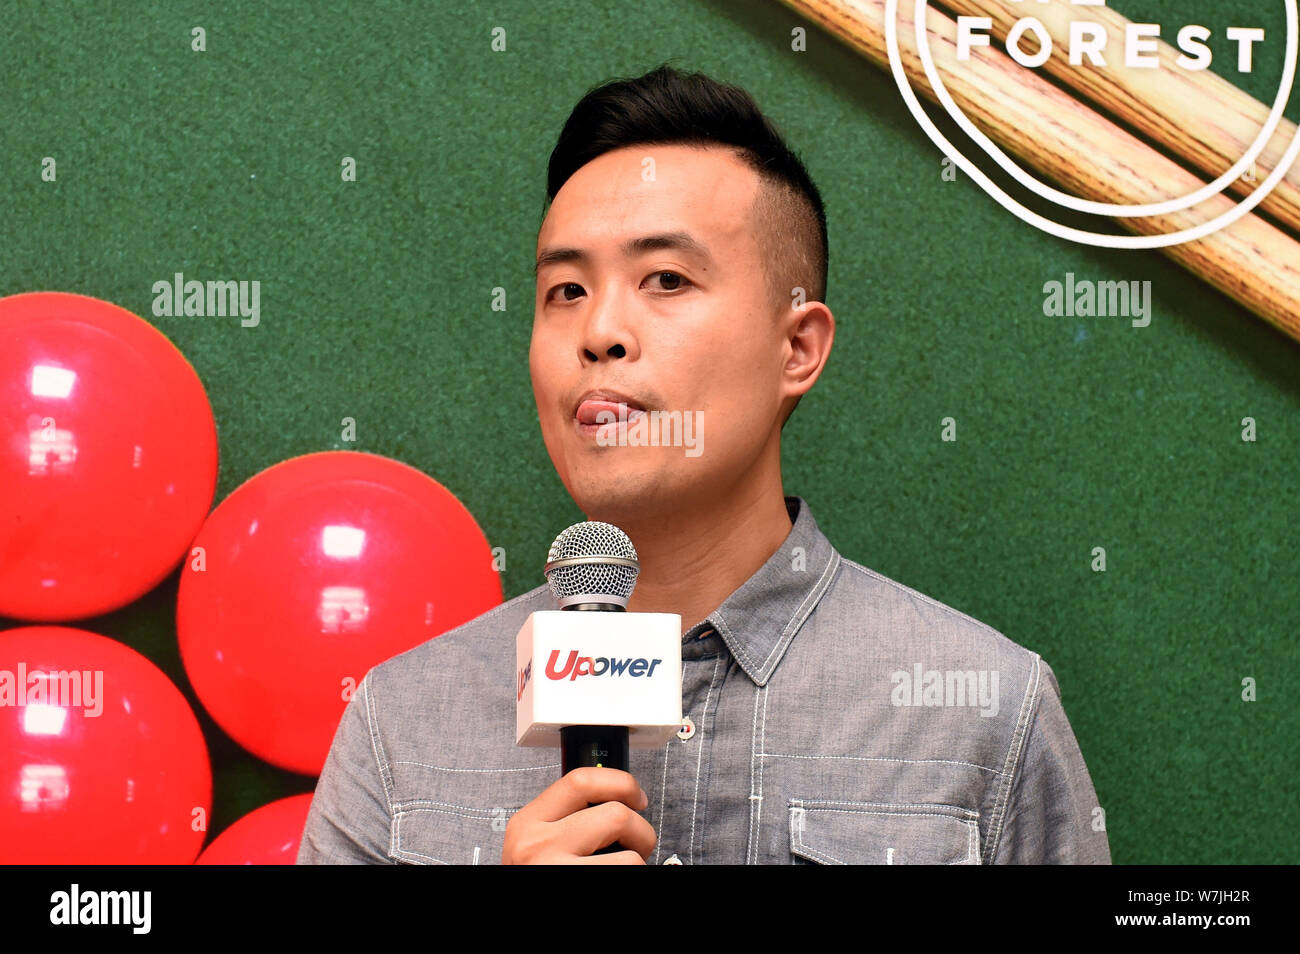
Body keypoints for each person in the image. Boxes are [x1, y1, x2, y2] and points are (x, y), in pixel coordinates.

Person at [296, 62, 1110, 865]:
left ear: (797, 347)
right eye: (567, 291)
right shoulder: (399, 729)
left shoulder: (988, 713)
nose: (600, 332)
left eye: (666, 279)